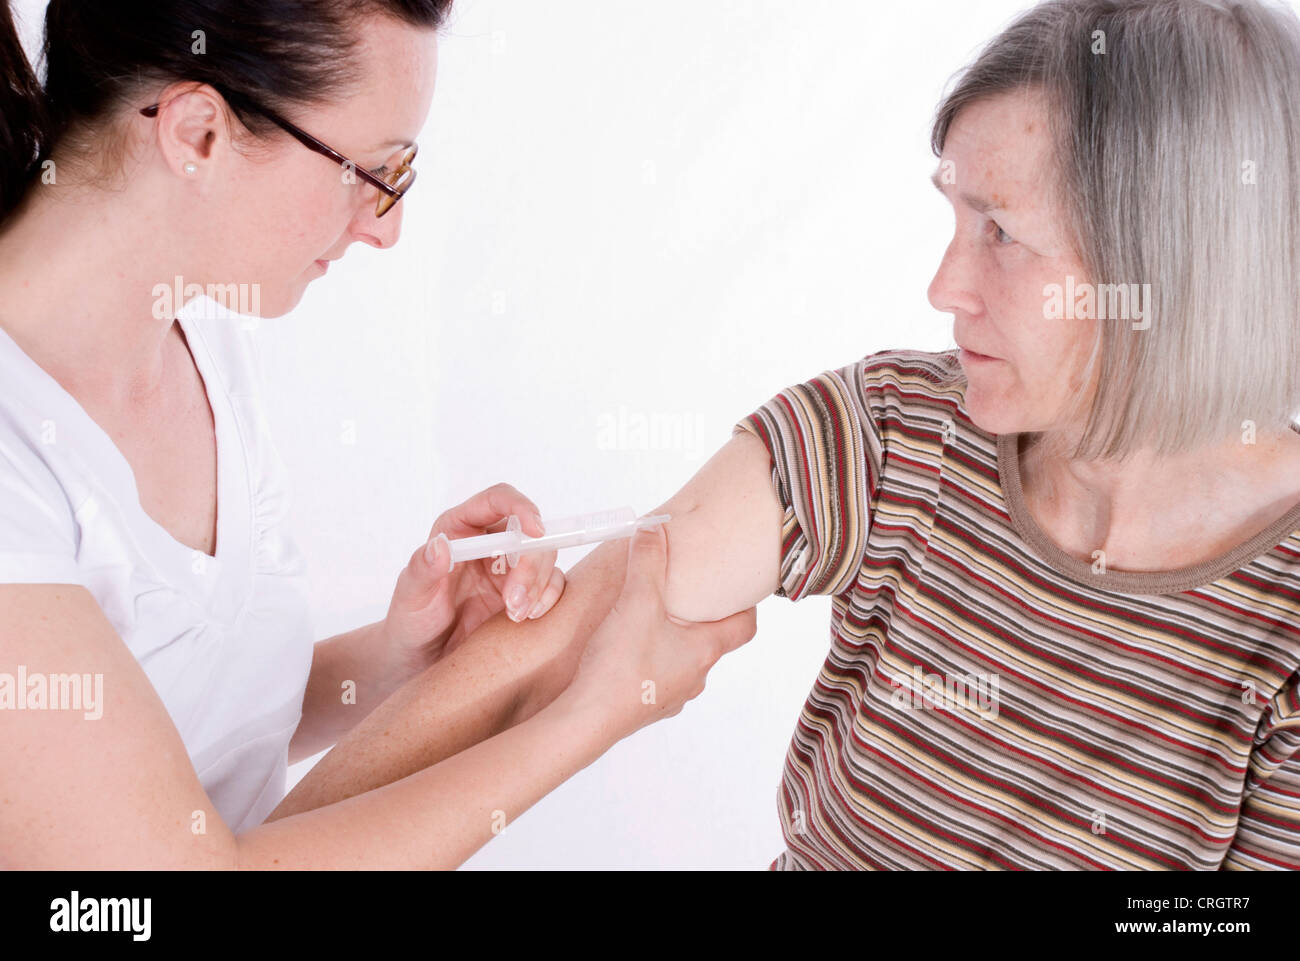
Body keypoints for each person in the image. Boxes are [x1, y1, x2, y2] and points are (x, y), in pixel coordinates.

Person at [275, 0, 1300, 869]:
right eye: (953, 220)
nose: (943, 288)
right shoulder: (897, 436)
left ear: (1170, 273)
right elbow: (543, 661)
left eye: (1002, 234)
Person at [0, 0, 756, 869]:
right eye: (371, 170)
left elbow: (172, 726)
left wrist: (396, 657)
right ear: (199, 133)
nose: (385, 226)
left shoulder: (199, 340)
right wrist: (593, 715)